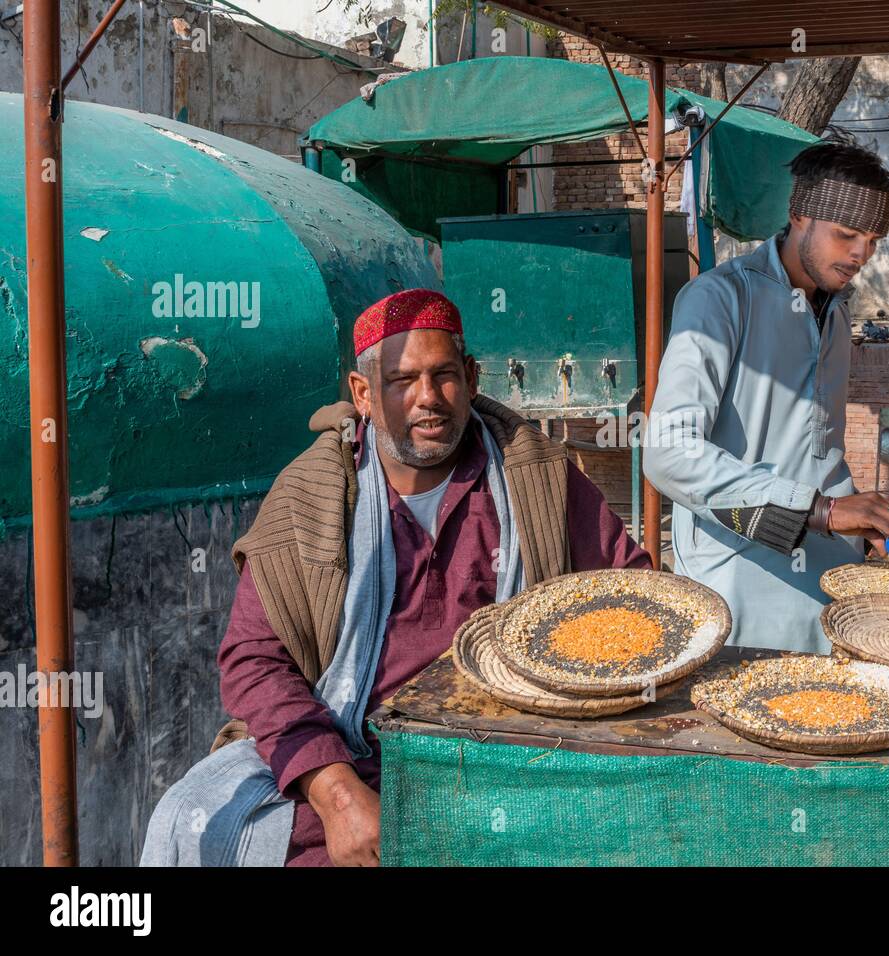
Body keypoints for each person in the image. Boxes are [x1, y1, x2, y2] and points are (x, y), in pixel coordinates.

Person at [142, 289, 649, 866]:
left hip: (510, 760)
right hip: (355, 757)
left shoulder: (537, 477)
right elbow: (255, 660)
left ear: (473, 377)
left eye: (443, 376)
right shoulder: (310, 498)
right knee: (197, 821)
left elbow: (629, 597)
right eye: (402, 381)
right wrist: (335, 796)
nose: (427, 399)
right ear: (362, 394)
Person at [643, 142, 889, 653]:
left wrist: (864, 525)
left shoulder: (836, 311)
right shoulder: (720, 299)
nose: (862, 254)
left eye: (873, 240)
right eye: (847, 235)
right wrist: (821, 511)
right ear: (798, 216)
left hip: (831, 589)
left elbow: (816, 452)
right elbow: (668, 454)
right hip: (738, 591)